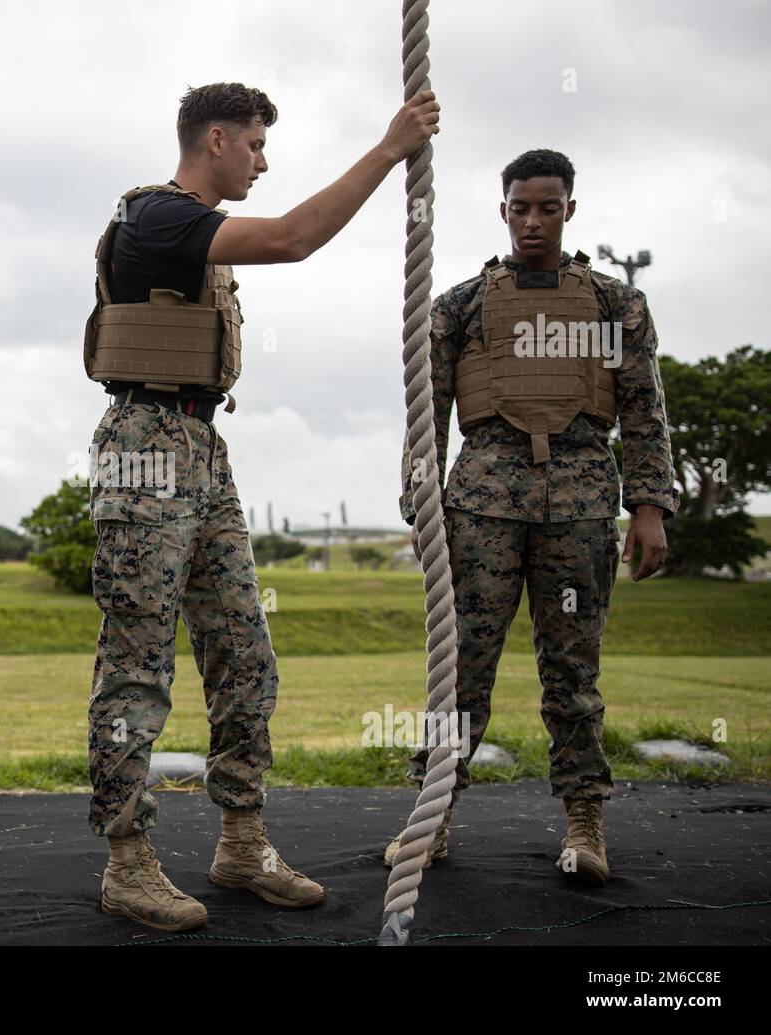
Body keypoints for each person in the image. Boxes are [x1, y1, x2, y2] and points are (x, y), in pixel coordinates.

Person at [83, 81, 440, 930]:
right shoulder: (159, 218)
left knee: (246, 652)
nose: (263, 161)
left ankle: (241, 842)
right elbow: (295, 237)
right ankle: (127, 860)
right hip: (146, 448)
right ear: (214, 139)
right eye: (253, 145)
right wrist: (390, 147)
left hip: (201, 446)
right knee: (138, 665)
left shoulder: (194, 233)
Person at [384, 148, 677, 886]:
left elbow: (644, 406)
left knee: (573, 672)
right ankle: (435, 809)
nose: (534, 220)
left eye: (548, 206)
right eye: (521, 206)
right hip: (482, 500)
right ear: (503, 209)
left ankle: (584, 819)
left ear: (569, 209)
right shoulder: (460, 305)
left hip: (580, 499)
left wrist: (649, 505)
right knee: (461, 671)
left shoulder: (616, 303)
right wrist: (419, 505)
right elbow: (427, 416)